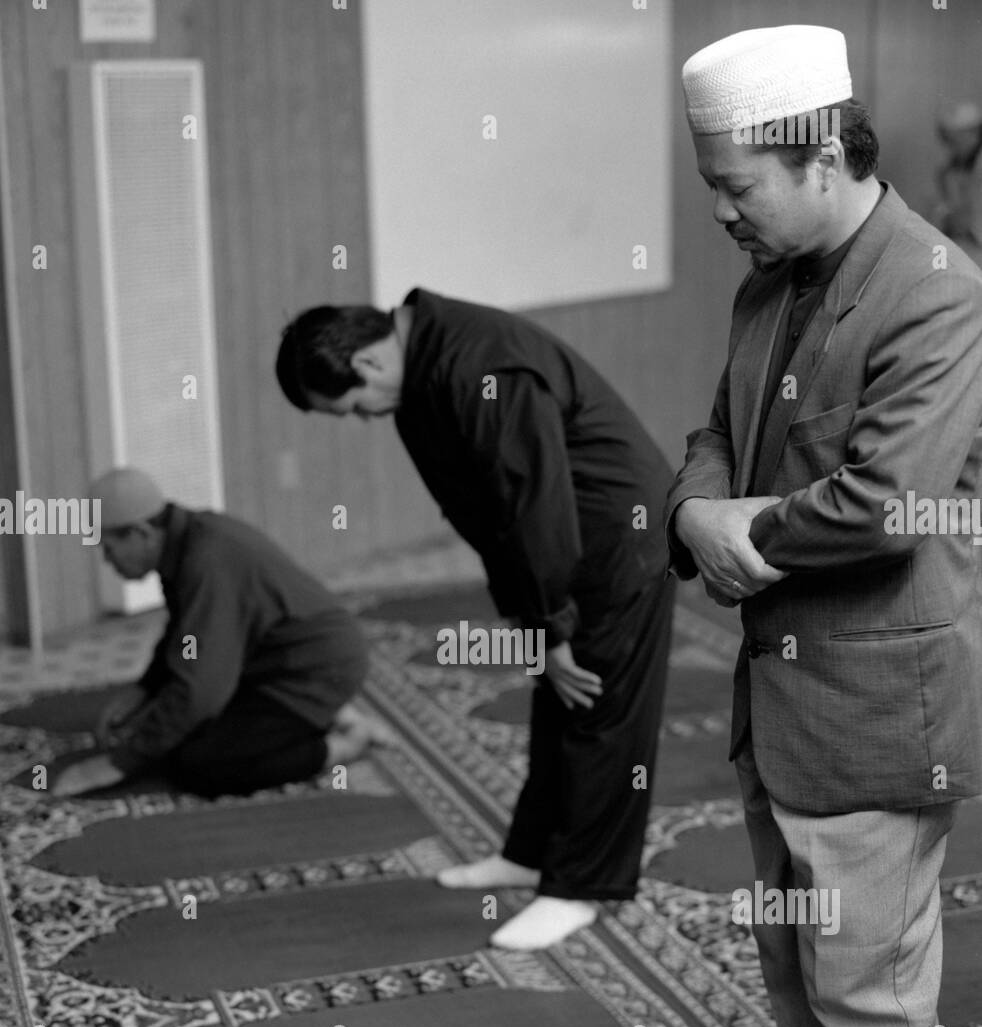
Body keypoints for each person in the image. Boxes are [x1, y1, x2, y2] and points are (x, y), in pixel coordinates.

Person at [666, 23, 982, 1027]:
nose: (721, 214)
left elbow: (887, 503)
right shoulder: (768, 280)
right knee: (793, 956)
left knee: (867, 977)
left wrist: (743, 529)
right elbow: (711, 432)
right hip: (778, 689)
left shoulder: (935, 288)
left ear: (816, 157)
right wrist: (696, 512)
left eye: (733, 187)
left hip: (874, 697)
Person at [275, 291, 676, 951]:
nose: (363, 420)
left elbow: (533, 500)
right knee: (557, 694)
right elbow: (483, 510)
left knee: (600, 707)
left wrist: (550, 625)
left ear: (367, 363)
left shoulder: (481, 366)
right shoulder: (418, 372)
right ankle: (532, 854)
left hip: (614, 534)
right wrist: (530, 617)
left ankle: (583, 887)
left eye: (353, 408)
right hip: (562, 539)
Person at [52, 468, 387, 798]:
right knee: (176, 725)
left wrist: (119, 762)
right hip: (270, 658)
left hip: (314, 669)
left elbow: (201, 690)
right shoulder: (185, 539)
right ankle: (322, 715)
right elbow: (183, 634)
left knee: (199, 763)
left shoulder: (206, 563)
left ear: (141, 532)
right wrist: (145, 690)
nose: (107, 561)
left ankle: (344, 743)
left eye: (108, 548)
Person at [933, 101, 982, 268]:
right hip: (963, 247)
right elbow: (943, 209)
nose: (949, 145)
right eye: (947, 139)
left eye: (955, 138)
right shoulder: (947, 171)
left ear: (973, 134)